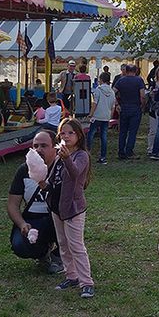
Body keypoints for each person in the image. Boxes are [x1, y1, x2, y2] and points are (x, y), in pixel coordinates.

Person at [48, 118, 95, 298]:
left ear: (79, 136)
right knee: (63, 244)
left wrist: (66, 158)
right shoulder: (59, 153)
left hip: (73, 208)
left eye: (70, 133)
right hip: (57, 205)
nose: (66, 136)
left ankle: (86, 282)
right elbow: (54, 176)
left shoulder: (81, 156)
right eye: (63, 133)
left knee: (76, 245)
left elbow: (75, 174)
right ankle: (71, 275)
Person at [7, 130, 62, 273]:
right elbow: (12, 204)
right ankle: (43, 252)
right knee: (20, 245)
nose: (38, 150)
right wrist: (22, 224)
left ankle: (61, 255)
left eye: (44, 146)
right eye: (35, 146)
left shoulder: (62, 168)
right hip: (33, 219)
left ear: (55, 147)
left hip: (58, 218)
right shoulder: (24, 170)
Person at [112, 64, 146, 160]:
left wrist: (117, 104)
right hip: (135, 108)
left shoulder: (121, 80)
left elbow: (112, 92)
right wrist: (142, 105)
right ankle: (129, 151)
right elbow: (142, 95)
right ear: (135, 71)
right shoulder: (139, 80)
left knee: (123, 131)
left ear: (126, 71)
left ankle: (121, 152)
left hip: (124, 108)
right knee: (132, 131)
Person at [88, 76, 116, 164]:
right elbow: (113, 106)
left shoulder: (98, 90)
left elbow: (95, 103)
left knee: (90, 134)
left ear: (101, 80)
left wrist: (91, 114)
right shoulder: (112, 92)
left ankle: (87, 153)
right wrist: (110, 117)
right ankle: (103, 157)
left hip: (97, 116)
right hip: (106, 116)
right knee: (104, 137)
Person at [146, 65, 159, 156]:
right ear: (157, 73)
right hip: (153, 109)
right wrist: (150, 94)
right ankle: (151, 148)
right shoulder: (153, 84)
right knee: (153, 130)